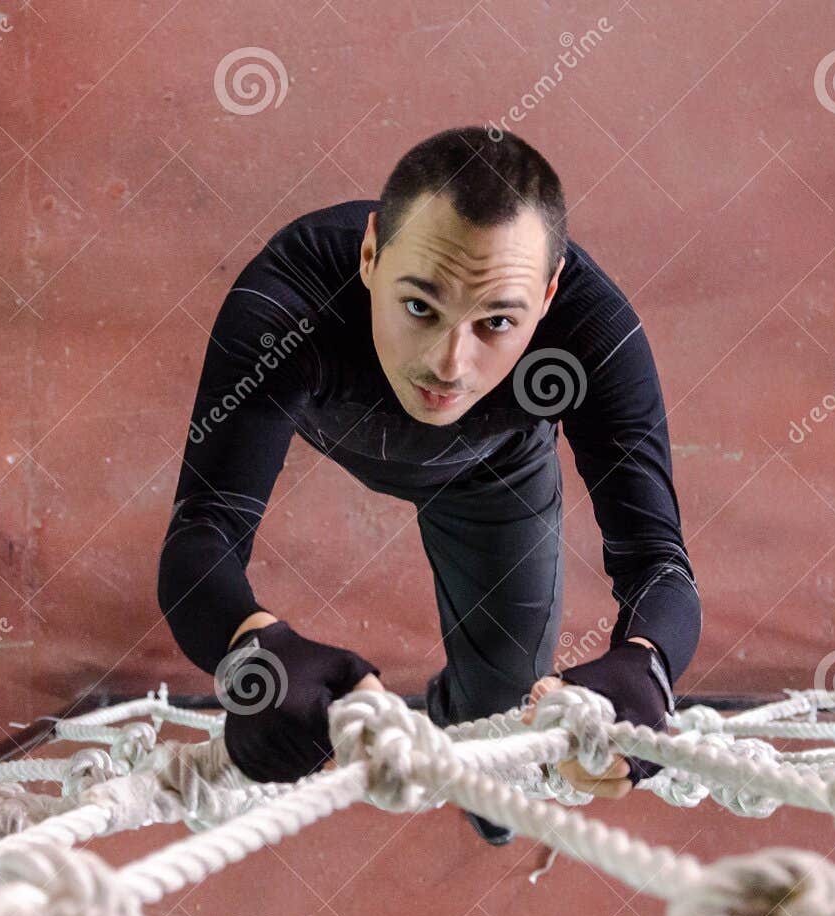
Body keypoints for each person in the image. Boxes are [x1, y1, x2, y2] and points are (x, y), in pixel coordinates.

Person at [157, 126, 701, 844]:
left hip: (493, 467)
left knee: (499, 771)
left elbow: (658, 563)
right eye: (420, 306)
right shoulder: (291, 300)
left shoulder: (593, 333)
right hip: (337, 419)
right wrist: (249, 648)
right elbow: (204, 532)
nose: (449, 365)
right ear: (371, 255)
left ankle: (470, 753)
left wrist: (647, 666)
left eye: (497, 321)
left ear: (548, 295)